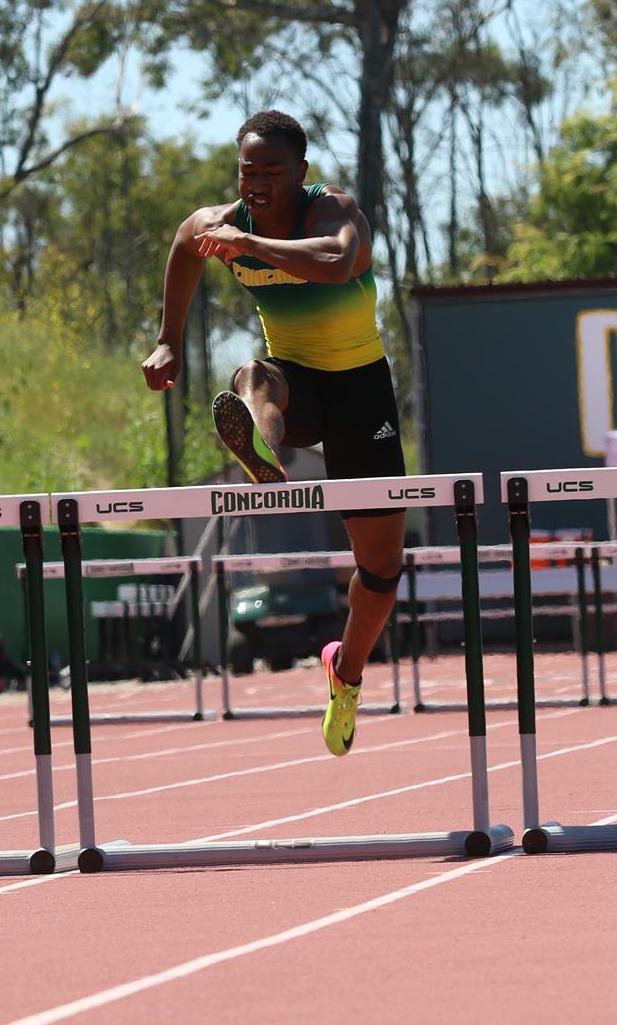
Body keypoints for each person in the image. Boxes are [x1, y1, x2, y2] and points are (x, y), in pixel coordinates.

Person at [141, 110, 405, 758]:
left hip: (361, 391)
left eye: (271, 172)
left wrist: (253, 247)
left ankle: (345, 673)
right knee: (253, 373)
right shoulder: (218, 222)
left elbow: (338, 262)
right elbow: (183, 247)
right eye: (247, 171)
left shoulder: (332, 211)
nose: (256, 183)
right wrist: (168, 343)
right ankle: (261, 445)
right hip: (297, 382)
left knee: (381, 571)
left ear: (301, 174)